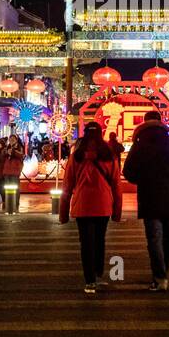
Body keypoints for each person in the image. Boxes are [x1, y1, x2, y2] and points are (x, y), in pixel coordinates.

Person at [123, 110, 169, 291]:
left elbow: (127, 171)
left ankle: (159, 277)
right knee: (167, 238)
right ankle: (163, 274)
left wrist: (142, 180)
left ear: (144, 123)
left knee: (153, 238)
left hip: (149, 197)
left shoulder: (140, 144)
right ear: (161, 122)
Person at [59, 121, 122, 294]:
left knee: (86, 242)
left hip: (82, 204)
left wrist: (63, 213)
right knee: (99, 239)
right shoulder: (109, 155)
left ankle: (89, 281)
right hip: (103, 204)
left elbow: (67, 185)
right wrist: (117, 212)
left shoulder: (76, 156)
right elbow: (116, 185)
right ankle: (98, 272)